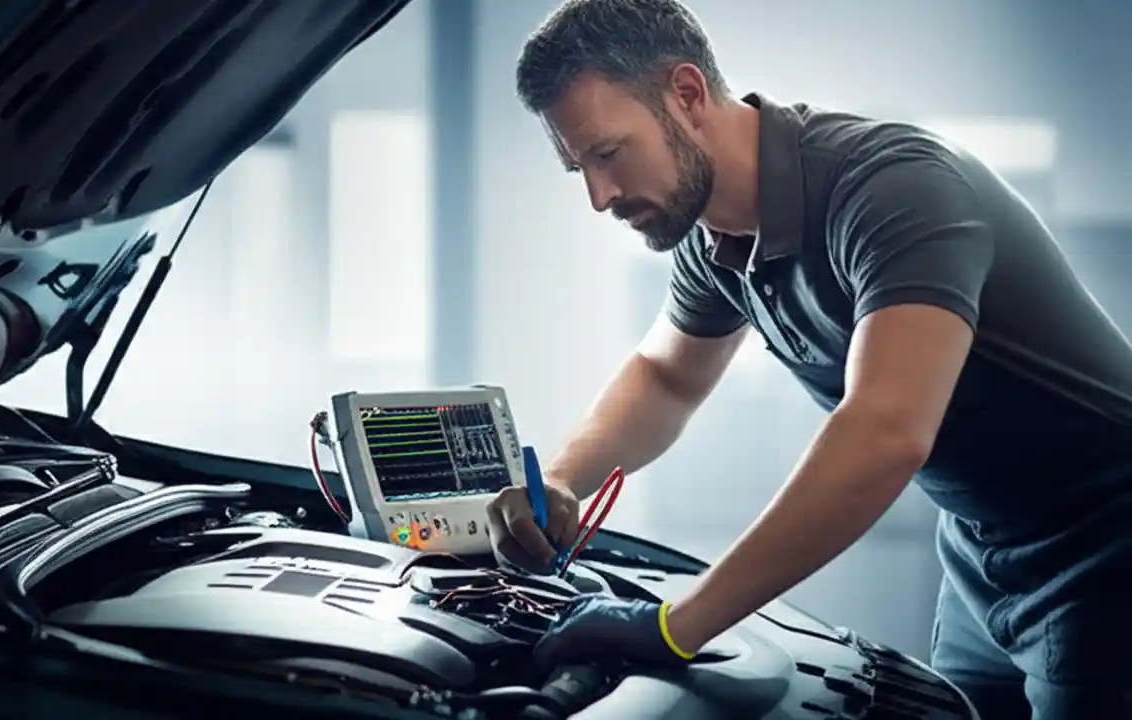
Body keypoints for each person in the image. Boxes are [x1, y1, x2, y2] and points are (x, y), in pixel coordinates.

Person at [484, 0, 1132, 717]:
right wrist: (563, 485)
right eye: (578, 167)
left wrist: (678, 626)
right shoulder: (712, 239)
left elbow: (885, 433)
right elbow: (667, 378)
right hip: (983, 556)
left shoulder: (893, 188)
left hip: (1108, 552)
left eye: (608, 154)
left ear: (688, 94)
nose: (600, 197)